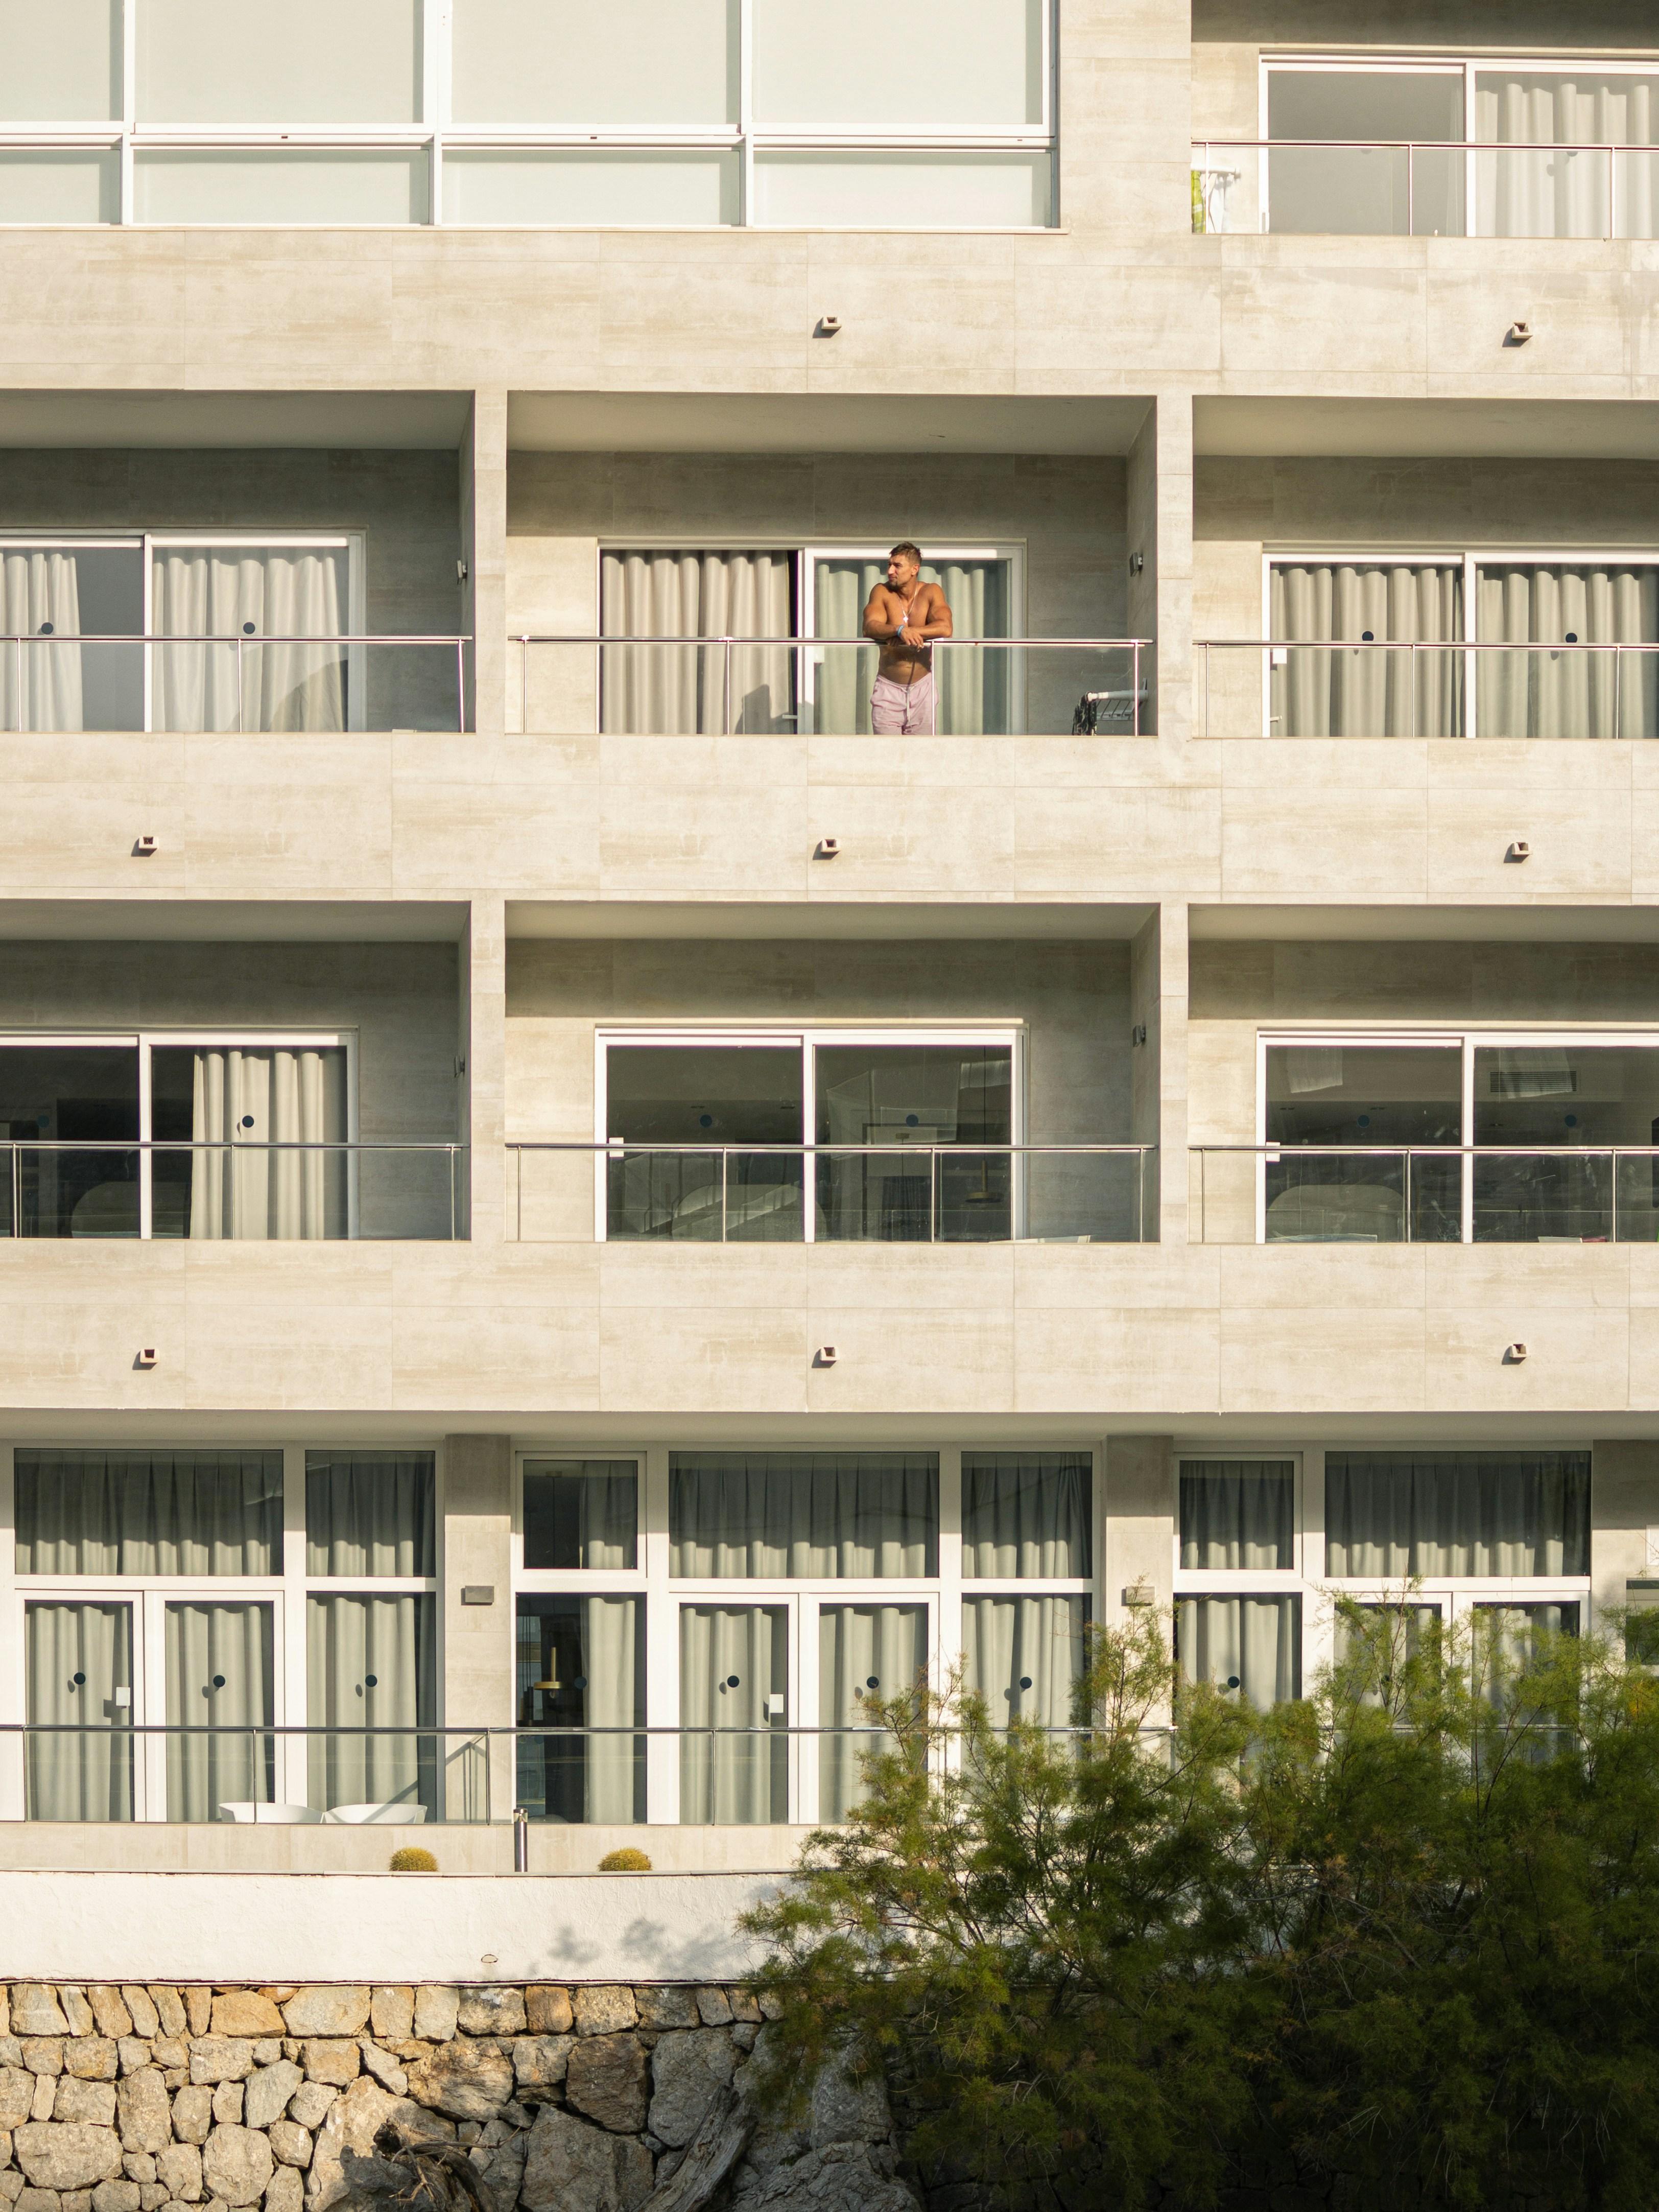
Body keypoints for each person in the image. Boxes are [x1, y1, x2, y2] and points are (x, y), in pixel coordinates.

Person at [863, 544, 952, 735]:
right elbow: (869, 627)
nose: (890, 571)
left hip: (923, 689)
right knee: (888, 755)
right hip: (888, 688)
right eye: (889, 565)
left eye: (897, 566)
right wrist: (898, 630)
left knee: (921, 755)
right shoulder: (881, 591)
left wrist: (908, 632)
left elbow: (945, 628)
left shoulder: (931, 591)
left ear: (914, 569)